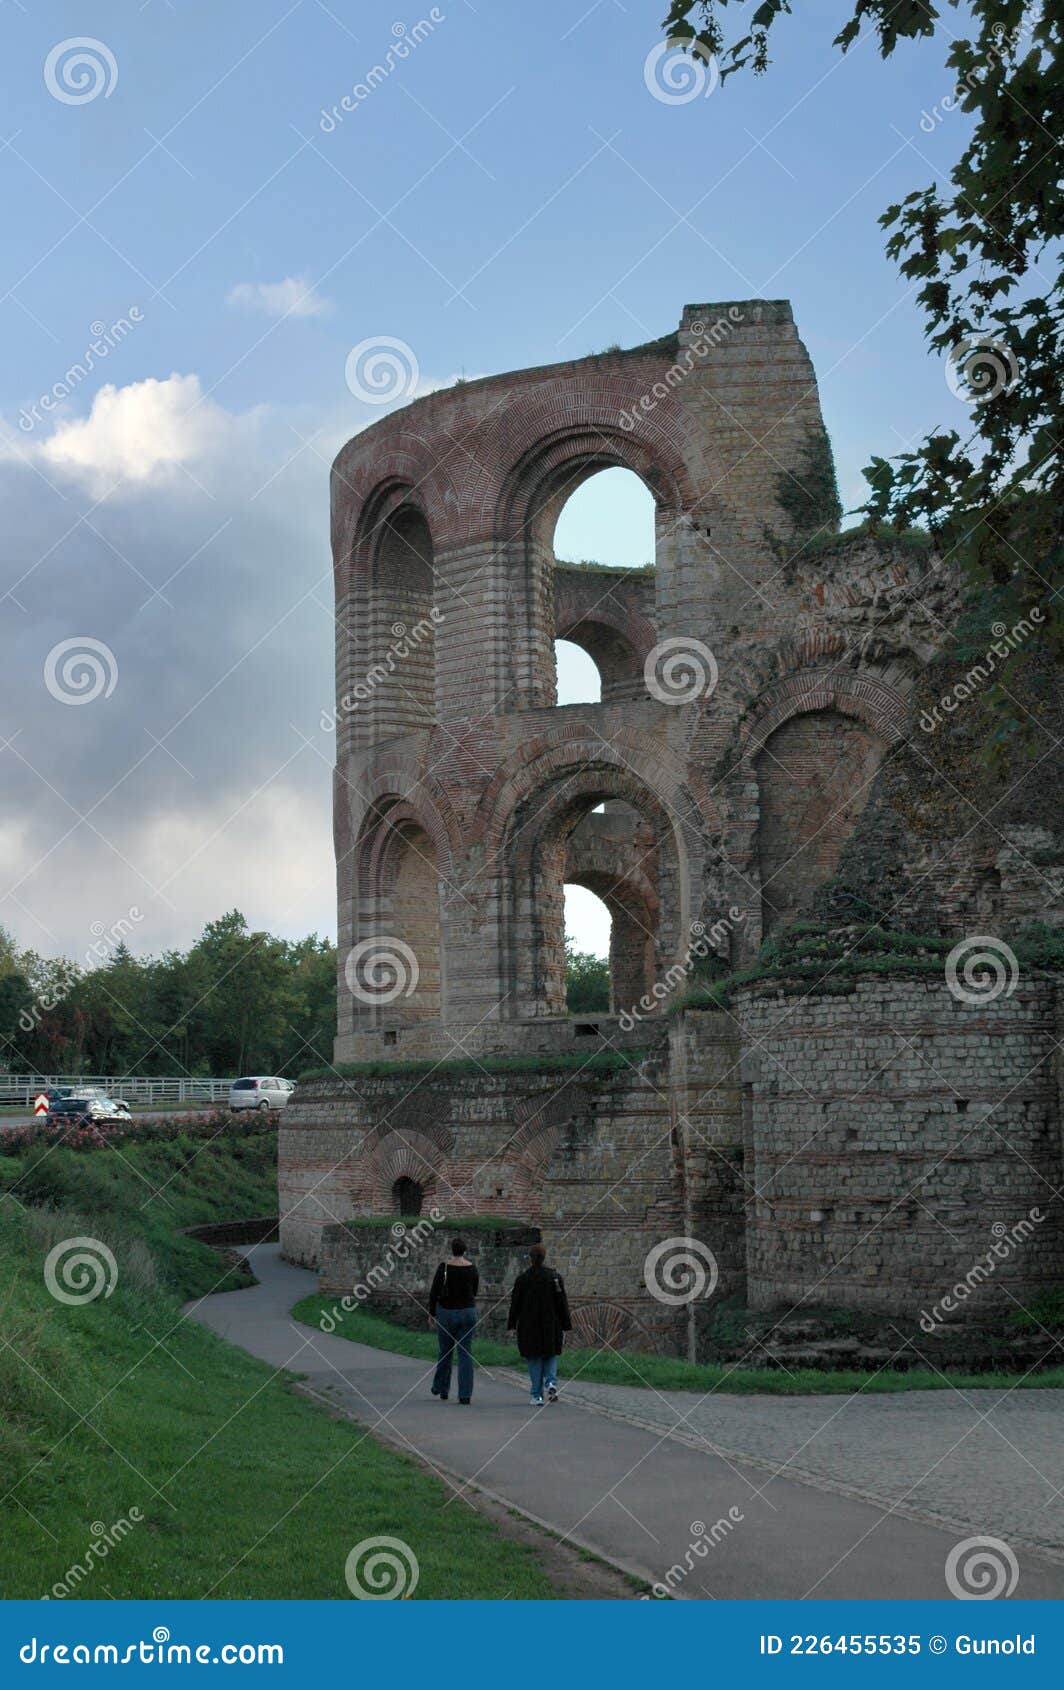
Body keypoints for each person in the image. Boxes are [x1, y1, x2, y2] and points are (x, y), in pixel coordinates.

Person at [507, 1243, 572, 1406]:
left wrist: (512, 1325)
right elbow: (562, 1302)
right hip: (551, 1323)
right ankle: (551, 1382)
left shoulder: (522, 1279)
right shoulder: (554, 1277)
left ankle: (537, 1396)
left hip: (529, 1325)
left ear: (530, 1259)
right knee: (550, 1354)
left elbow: (515, 1304)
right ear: (544, 1257)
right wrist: (566, 1324)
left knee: (534, 1358)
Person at [428, 1237, 479, 1403]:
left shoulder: (444, 1268)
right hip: (468, 1312)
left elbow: (434, 1291)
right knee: (465, 1353)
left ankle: (442, 1388)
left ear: (452, 1250)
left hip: (447, 1312)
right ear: (464, 1250)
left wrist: (431, 1313)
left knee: (445, 1351)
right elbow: (475, 1290)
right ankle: (465, 1395)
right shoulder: (472, 1268)